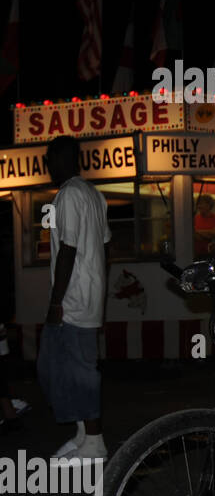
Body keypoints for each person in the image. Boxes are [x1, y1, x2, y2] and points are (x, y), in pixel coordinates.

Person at [37, 135, 111, 466]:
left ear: (62, 159)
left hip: (72, 301)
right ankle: (83, 436)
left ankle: (94, 442)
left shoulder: (67, 194)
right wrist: (100, 291)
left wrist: (56, 301)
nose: (48, 167)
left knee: (72, 371)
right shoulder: (93, 194)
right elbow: (107, 248)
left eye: (50, 160)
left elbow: (67, 250)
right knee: (67, 367)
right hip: (88, 296)